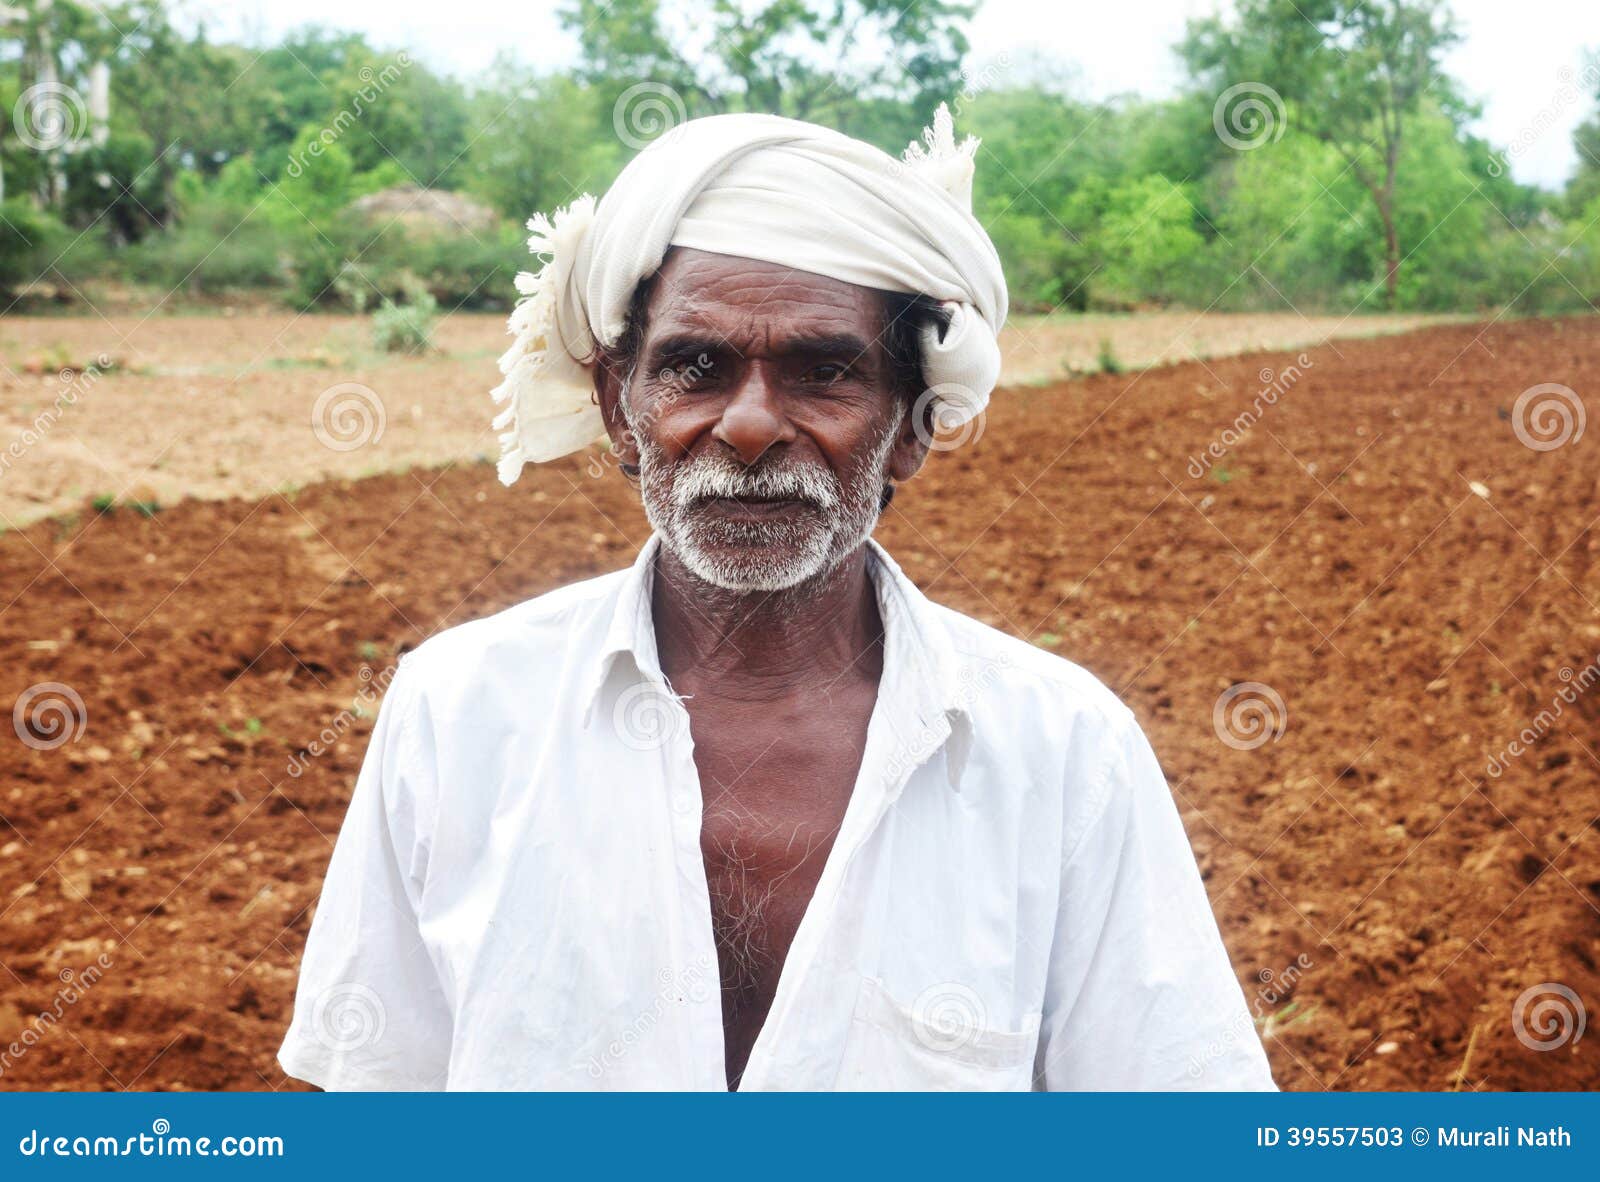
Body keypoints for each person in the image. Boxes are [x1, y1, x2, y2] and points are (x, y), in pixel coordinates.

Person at [278, 107, 1274, 1092]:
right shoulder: (458, 713)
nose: (748, 426)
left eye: (822, 372)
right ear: (621, 410)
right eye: (695, 367)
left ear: (914, 426)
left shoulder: (1063, 753)